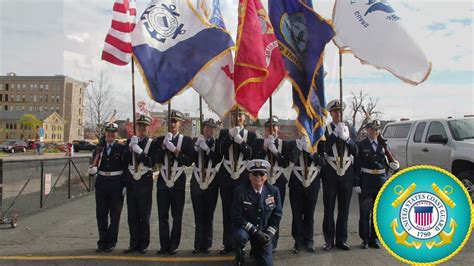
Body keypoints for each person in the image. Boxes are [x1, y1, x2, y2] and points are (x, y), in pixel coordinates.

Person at [216, 107, 257, 254]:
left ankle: (241, 243)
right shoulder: (223, 133)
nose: (237, 118)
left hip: (243, 177)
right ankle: (227, 244)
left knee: (243, 213)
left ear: (245, 118)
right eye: (234, 115)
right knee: (227, 212)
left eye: (240, 115)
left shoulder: (251, 135)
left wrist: (239, 140)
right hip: (226, 177)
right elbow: (219, 151)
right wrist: (229, 137)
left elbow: (250, 154)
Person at [354, 119, 400, 249]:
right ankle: (365, 239)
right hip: (366, 180)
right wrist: (356, 182)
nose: (374, 131)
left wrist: (394, 164)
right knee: (365, 212)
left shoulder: (383, 145)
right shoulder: (361, 145)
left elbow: (390, 162)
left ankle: (375, 239)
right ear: (367, 130)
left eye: (377, 129)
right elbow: (356, 164)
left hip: (380, 180)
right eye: (372, 129)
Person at [321, 99, 359, 251]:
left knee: (344, 209)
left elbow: (356, 151)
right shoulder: (325, 129)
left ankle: (341, 239)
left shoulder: (350, 129)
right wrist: (334, 136)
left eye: (340, 111)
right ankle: (328, 240)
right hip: (330, 173)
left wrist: (347, 139)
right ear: (330, 114)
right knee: (329, 208)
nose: (338, 114)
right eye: (335, 112)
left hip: (347, 174)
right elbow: (322, 149)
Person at [155, 110, 194, 255]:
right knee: (162, 214)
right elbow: (156, 160)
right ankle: (164, 244)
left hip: (178, 178)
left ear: (180, 123)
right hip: (163, 179)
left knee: (177, 215)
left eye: (175, 121)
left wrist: (175, 151)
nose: (172, 124)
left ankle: (174, 245)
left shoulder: (187, 141)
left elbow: (188, 162)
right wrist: (164, 146)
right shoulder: (160, 140)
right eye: (170, 121)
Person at [231, 159, 282, 266]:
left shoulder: (274, 191)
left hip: (263, 230)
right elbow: (236, 217)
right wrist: (254, 231)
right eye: (255, 173)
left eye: (261, 173)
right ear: (249, 176)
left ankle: (255, 251)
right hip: (246, 229)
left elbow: (277, 216)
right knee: (239, 236)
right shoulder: (240, 191)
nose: (258, 176)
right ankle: (240, 255)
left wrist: (268, 234)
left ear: (266, 176)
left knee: (267, 264)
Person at [253, 116, 290, 251]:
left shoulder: (283, 144)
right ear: (265, 129)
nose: (271, 129)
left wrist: (275, 150)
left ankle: (272, 243)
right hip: (263, 181)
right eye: (268, 126)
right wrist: (264, 148)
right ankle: (259, 242)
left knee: (275, 213)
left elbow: (285, 163)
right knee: (260, 212)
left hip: (278, 181)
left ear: (277, 128)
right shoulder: (259, 142)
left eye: (274, 126)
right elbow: (254, 159)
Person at [123, 114, 159, 254]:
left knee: (144, 214)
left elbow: (151, 162)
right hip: (132, 182)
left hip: (144, 181)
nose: (142, 128)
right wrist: (130, 148)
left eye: (144, 126)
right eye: (140, 126)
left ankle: (143, 243)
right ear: (136, 128)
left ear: (148, 128)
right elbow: (124, 161)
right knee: (132, 215)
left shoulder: (152, 143)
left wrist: (139, 150)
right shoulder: (130, 141)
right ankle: (133, 243)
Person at [87, 122, 125, 253]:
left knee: (115, 215)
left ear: (116, 134)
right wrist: (92, 169)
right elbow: (94, 162)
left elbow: (125, 167)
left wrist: (125, 185)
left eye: (113, 132)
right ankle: (102, 241)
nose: (110, 134)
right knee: (101, 214)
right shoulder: (99, 148)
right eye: (108, 131)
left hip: (116, 183)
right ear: (105, 133)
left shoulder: (121, 148)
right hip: (102, 182)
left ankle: (111, 241)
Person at [288, 134, 325, 254]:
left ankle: (309, 240)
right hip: (296, 183)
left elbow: (322, 162)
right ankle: (298, 241)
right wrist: (299, 147)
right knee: (297, 214)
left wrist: (311, 153)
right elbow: (292, 159)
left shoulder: (318, 143)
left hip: (313, 181)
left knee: (309, 214)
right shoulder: (293, 143)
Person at [190, 118, 222, 254]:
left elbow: (217, 158)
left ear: (214, 130)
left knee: (209, 214)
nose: (209, 130)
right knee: (198, 214)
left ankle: (207, 244)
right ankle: (198, 245)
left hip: (211, 180)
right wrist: (197, 147)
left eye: (211, 128)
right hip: (197, 179)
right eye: (206, 127)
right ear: (203, 129)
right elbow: (189, 159)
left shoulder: (217, 143)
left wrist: (207, 150)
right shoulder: (195, 141)